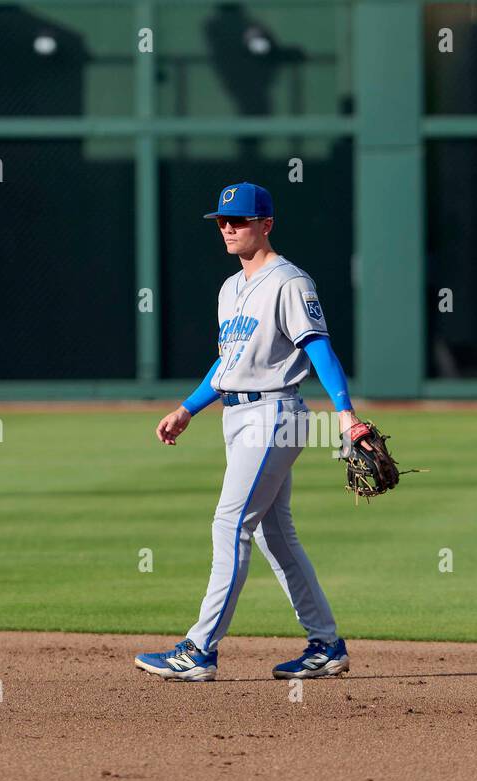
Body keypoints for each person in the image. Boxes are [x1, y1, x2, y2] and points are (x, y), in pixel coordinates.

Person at [135, 182, 359, 682]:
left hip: (275, 415)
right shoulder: (229, 289)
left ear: (267, 224)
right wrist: (188, 408)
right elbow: (229, 362)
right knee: (276, 535)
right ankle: (325, 643)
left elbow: (318, 347)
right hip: (237, 416)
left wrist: (345, 414)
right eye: (222, 221)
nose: (230, 228)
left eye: (239, 220)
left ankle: (199, 649)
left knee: (229, 524)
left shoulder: (290, 281)